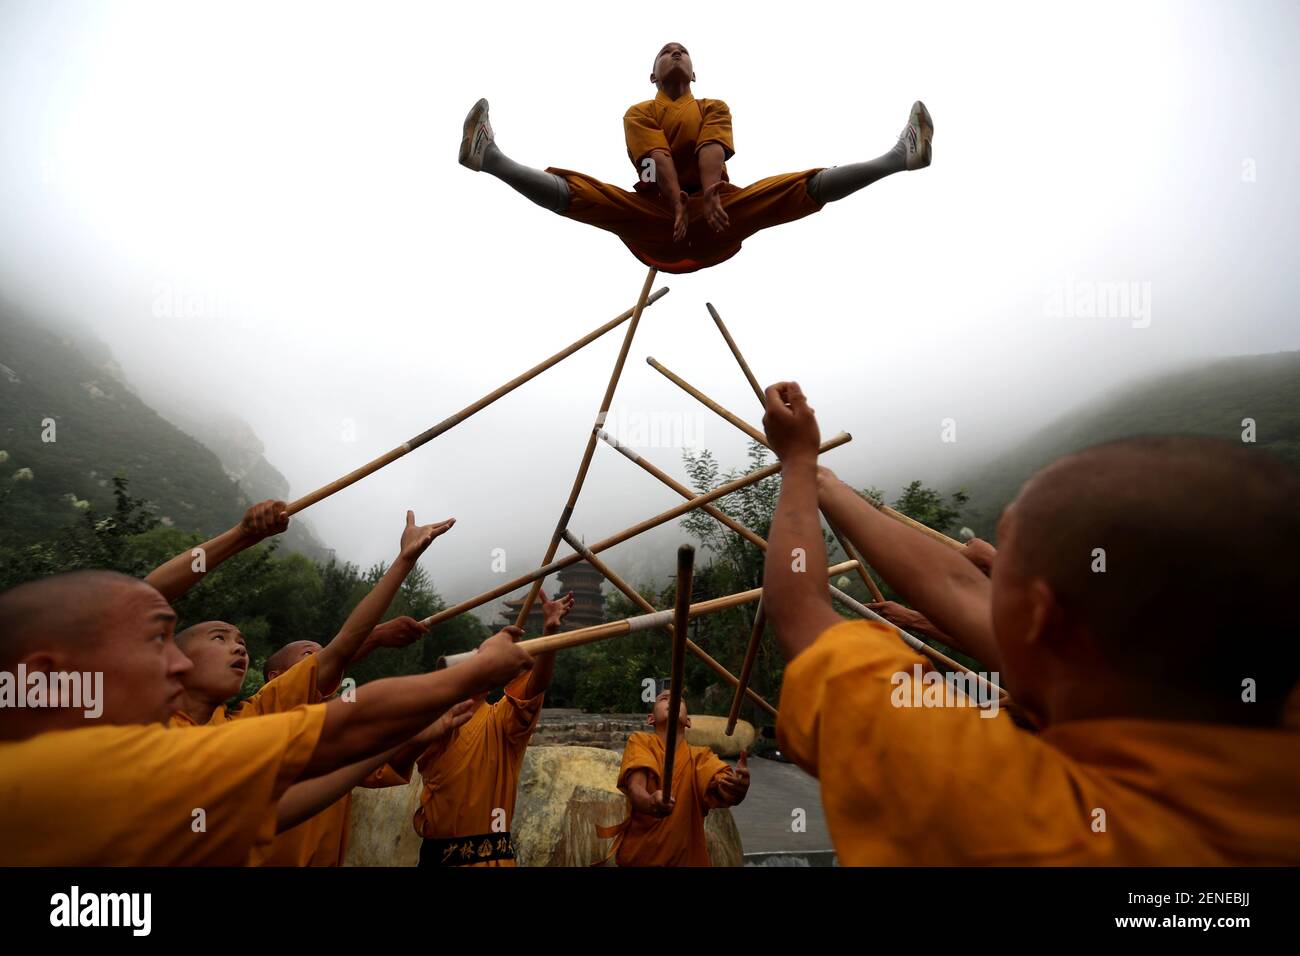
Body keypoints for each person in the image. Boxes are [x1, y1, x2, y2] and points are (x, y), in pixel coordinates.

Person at [760, 380, 1300, 864]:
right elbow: (961, 591)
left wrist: (798, 467)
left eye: (1003, 557)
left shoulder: (1011, 809)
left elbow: (804, 615)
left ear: (1044, 619)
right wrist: (820, 480)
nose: (980, 559)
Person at [0, 570, 531, 865]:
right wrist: (475, 670)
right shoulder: (96, 768)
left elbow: (277, 809)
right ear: (47, 673)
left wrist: (412, 732)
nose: (177, 662)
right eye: (156, 640)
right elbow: (348, 718)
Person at [458, 42, 932, 273]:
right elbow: (658, 157)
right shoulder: (641, 111)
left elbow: (710, 150)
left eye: (682, 51)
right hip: (658, 220)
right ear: (653, 74)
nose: (676, 53)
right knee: (591, 195)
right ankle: (490, 157)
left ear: (694, 70)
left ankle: (898, 157)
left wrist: (706, 196)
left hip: (715, 215)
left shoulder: (713, 107)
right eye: (666, 52)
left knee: (787, 189)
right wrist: (677, 203)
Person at [411, 590, 573, 867]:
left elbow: (535, 685)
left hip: (489, 856)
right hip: (436, 855)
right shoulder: (432, 721)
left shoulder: (500, 720)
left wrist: (549, 632)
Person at [598, 690, 749, 866]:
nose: (672, 700)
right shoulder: (640, 741)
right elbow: (635, 787)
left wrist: (738, 786)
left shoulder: (701, 756)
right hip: (642, 856)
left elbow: (724, 788)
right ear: (650, 719)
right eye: (663, 699)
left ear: (688, 721)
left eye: (679, 700)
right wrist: (650, 802)